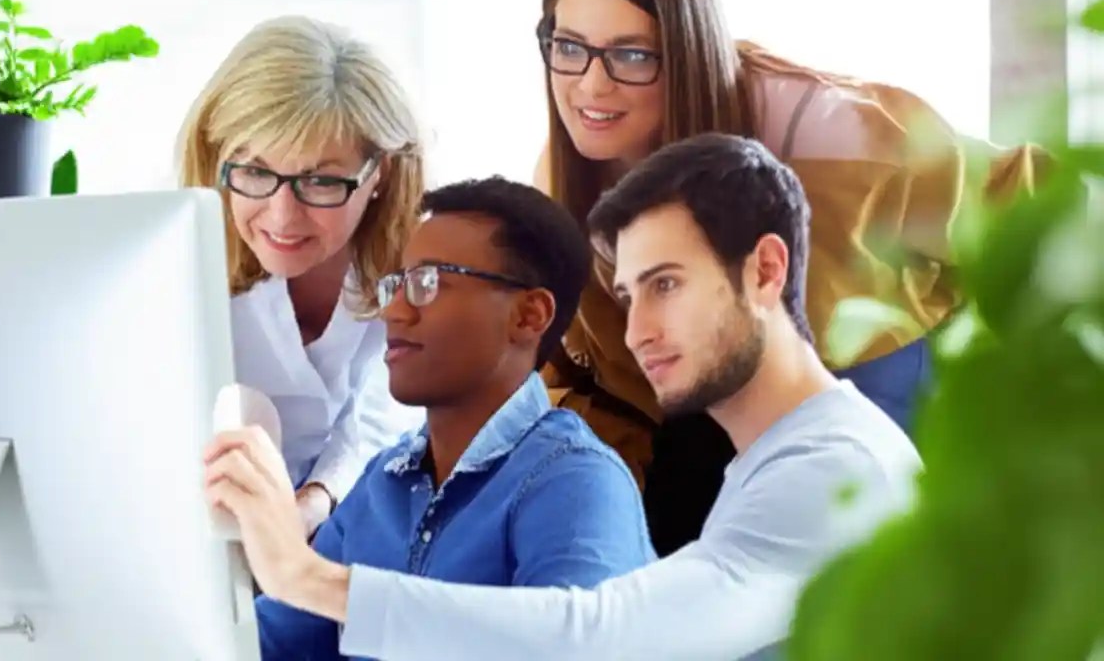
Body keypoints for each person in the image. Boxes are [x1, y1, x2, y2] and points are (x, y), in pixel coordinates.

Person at [203, 134, 924, 660]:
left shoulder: (836, 468)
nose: (638, 331)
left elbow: (598, 636)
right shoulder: (776, 462)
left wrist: (304, 573)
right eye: (629, 295)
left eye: (665, 284)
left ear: (764, 270)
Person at [530, 0, 1043, 554]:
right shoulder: (566, 180)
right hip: (694, 395)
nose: (590, 85)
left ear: (689, 51)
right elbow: (587, 370)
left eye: (632, 54)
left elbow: (1042, 216)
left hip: (855, 370)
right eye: (569, 47)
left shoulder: (840, 136)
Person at [214, 177, 654, 659]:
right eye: (395, 284)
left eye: (427, 284)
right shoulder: (381, 483)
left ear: (529, 316)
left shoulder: (578, 481)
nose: (393, 312)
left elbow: (576, 649)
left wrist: (307, 576)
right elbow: (264, 645)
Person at [177, 15, 426, 536]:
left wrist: (317, 498)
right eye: (254, 172)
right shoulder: (176, 264)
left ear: (379, 172)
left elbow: (392, 410)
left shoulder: (421, 262)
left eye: (319, 180)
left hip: (360, 540)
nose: (282, 216)